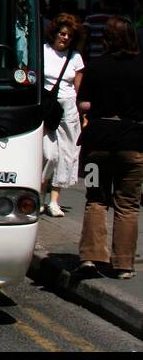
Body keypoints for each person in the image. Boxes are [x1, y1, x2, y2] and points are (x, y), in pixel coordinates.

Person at [76, 17, 143, 280]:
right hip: (133, 143)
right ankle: (124, 264)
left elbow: (84, 104)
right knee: (127, 204)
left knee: (96, 198)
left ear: (106, 39)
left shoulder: (96, 67)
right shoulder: (141, 68)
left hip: (98, 144)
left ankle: (91, 258)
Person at [41, 14, 85, 217]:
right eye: (62, 33)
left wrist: (83, 114)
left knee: (66, 154)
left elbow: (79, 89)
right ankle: (40, 194)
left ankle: (54, 200)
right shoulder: (42, 51)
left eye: (69, 35)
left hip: (68, 108)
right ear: (55, 32)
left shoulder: (76, 57)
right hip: (48, 106)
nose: (65, 37)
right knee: (49, 154)